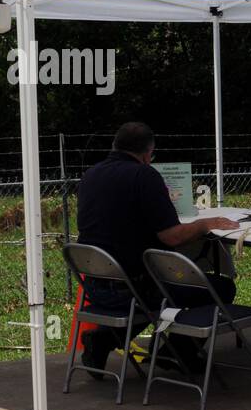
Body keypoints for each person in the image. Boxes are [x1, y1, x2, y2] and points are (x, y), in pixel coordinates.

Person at [75, 122, 240, 374]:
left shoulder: (91, 174)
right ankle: (177, 352)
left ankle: (103, 340)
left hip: (96, 287)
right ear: (147, 153)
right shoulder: (144, 175)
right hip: (132, 290)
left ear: (115, 145)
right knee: (219, 287)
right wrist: (205, 224)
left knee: (154, 293)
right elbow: (172, 237)